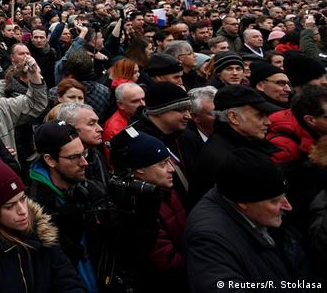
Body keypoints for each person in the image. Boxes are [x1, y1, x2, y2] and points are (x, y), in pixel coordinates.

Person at [184, 149, 315, 292]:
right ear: (242, 202)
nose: (288, 207)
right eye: (274, 201)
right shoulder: (209, 239)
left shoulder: (254, 210)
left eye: (283, 196)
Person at [0, 157, 84, 293]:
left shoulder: (42, 230)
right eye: (10, 206)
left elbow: (69, 281)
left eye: (23, 199)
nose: (22, 211)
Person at [27, 121, 107, 292]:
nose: (84, 162)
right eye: (74, 157)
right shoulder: (35, 207)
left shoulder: (92, 190)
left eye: (83, 153)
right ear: (50, 160)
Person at [110, 133, 187, 293]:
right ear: (139, 169)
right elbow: (166, 263)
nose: (172, 169)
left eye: (170, 162)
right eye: (162, 164)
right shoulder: (139, 207)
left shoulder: (166, 191)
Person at [196, 85, 280, 197]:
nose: (268, 122)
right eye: (260, 115)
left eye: (267, 115)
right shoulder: (225, 160)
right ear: (233, 118)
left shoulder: (245, 144)